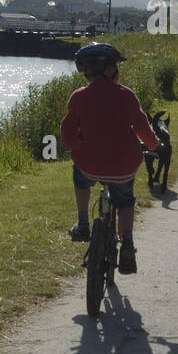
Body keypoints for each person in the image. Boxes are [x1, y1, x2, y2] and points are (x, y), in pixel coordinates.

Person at [59, 42, 160, 275]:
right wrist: (154, 145)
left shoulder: (79, 97)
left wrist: (75, 146)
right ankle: (128, 244)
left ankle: (83, 223)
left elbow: (67, 134)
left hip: (89, 166)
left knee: (79, 174)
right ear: (108, 69)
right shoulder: (126, 95)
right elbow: (143, 129)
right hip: (123, 167)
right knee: (125, 200)